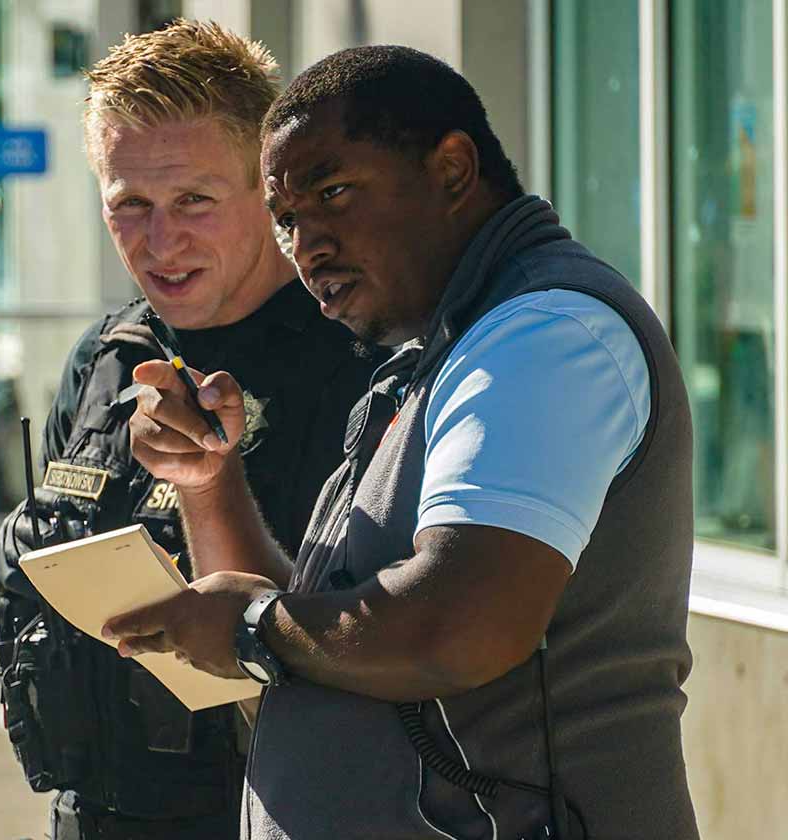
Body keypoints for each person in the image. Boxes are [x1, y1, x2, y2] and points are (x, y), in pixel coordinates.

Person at [107, 45, 699, 839]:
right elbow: (347, 632)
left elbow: (457, 626)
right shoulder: (443, 349)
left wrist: (252, 626)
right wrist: (211, 485)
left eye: (335, 193)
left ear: (453, 170)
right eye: (286, 219)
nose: (307, 243)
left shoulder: (546, 336)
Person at [0, 21, 378, 839]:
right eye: (129, 206)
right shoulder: (107, 358)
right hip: (92, 812)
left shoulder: (357, 368)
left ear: (266, 193)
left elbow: (349, 650)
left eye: (193, 201)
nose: (161, 243)